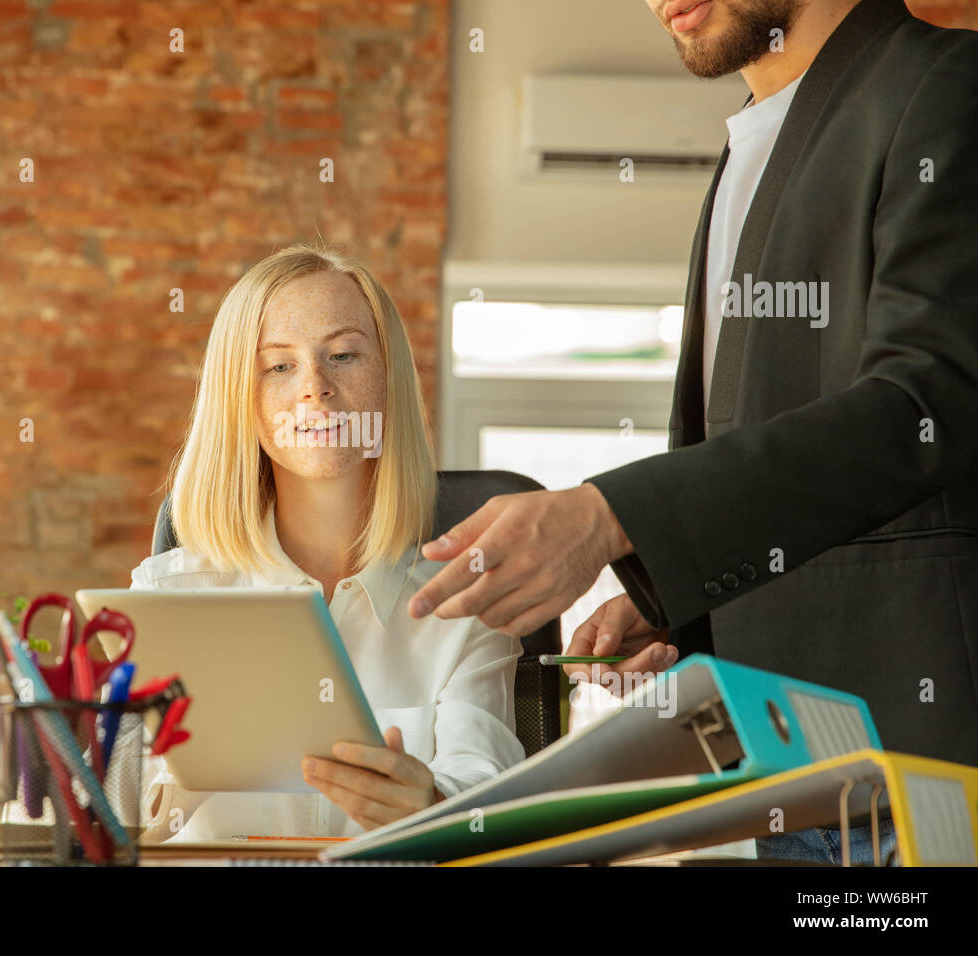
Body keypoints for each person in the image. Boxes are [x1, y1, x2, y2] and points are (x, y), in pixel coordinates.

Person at [406, 0, 978, 866]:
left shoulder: (948, 85)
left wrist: (612, 515)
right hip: (788, 783)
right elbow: (775, 451)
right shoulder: (750, 146)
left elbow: (925, 402)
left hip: (919, 773)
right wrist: (678, 601)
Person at [129, 243, 525, 844]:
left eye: (343, 355)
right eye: (278, 366)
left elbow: (490, 803)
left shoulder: (466, 609)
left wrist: (432, 806)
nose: (315, 387)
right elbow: (82, 818)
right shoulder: (163, 597)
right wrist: (174, 776)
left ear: (387, 382)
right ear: (243, 399)